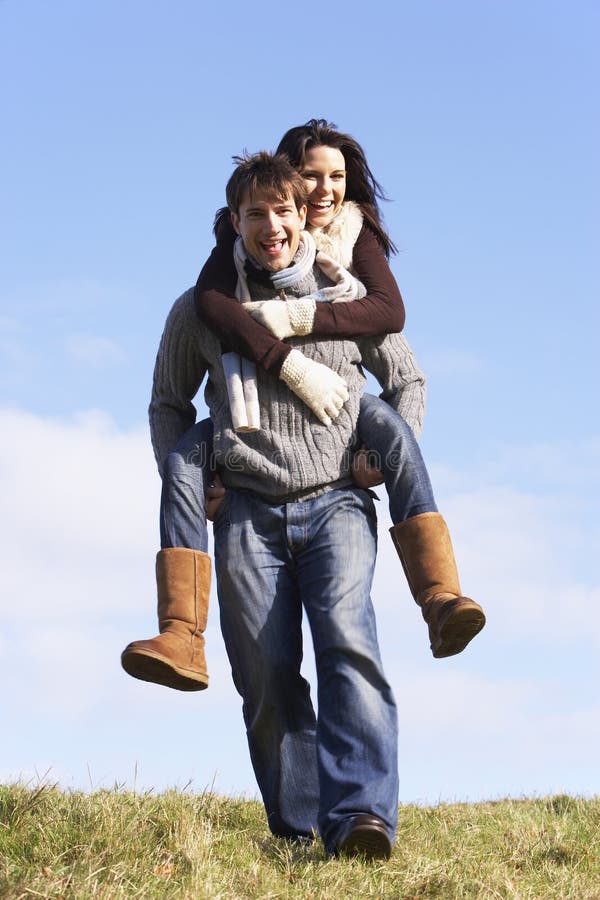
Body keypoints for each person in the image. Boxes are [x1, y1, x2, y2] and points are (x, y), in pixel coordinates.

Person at [133, 151, 431, 857]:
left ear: (305, 218)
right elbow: (167, 403)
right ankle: (299, 830)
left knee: (349, 645)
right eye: (256, 214)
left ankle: (362, 818)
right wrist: (196, 481)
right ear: (233, 223)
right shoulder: (201, 312)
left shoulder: (346, 296)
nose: (272, 227)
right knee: (265, 675)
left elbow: (409, 380)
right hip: (247, 510)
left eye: (283, 212)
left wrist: (379, 464)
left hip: (337, 504)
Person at [121, 120, 484, 696]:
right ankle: (181, 632)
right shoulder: (226, 261)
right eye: (308, 179)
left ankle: (439, 593)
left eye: (335, 178)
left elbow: (391, 320)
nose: (322, 192)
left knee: (386, 422)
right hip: (246, 469)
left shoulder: (352, 243)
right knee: (187, 455)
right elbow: (209, 312)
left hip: (340, 453)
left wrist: (304, 319)